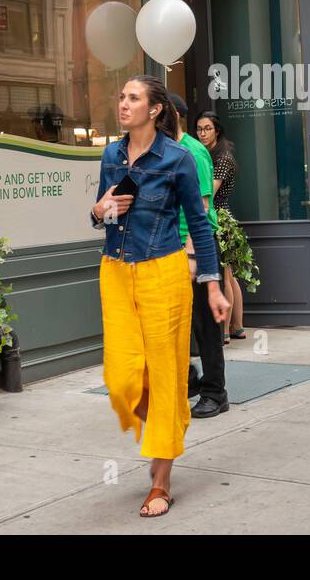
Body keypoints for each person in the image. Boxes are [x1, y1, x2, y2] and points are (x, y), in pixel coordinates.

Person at [91, 76, 229, 517]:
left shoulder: (179, 158)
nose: (123, 104)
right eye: (121, 97)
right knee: (123, 378)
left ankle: (161, 480)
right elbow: (102, 211)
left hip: (163, 273)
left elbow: (200, 223)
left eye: (132, 98)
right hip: (114, 270)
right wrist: (100, 211)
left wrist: (212, 284)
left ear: (154, 110)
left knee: (165, 374)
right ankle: (168, 427)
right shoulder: (111, 155)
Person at [166, 95, 230, 419]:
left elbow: (202, 209)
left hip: (197, 248)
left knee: (206, 326)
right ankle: (191, 378)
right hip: (169, 251)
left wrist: (193, 255)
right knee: (177, 323)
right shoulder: (162, 152)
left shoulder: (194, 152)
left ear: (173, 114)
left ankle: (215, 393)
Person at [196, 111, 247, 345]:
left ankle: (224, 331)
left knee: (225, 277)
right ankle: (237, 327)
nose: (202, 133)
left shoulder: (222, 158)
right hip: (219, 215)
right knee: (230, 276)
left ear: (217, 131)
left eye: (207, 129)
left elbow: (210, 192)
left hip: (220, 218)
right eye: (199, 129)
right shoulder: (206, 154)